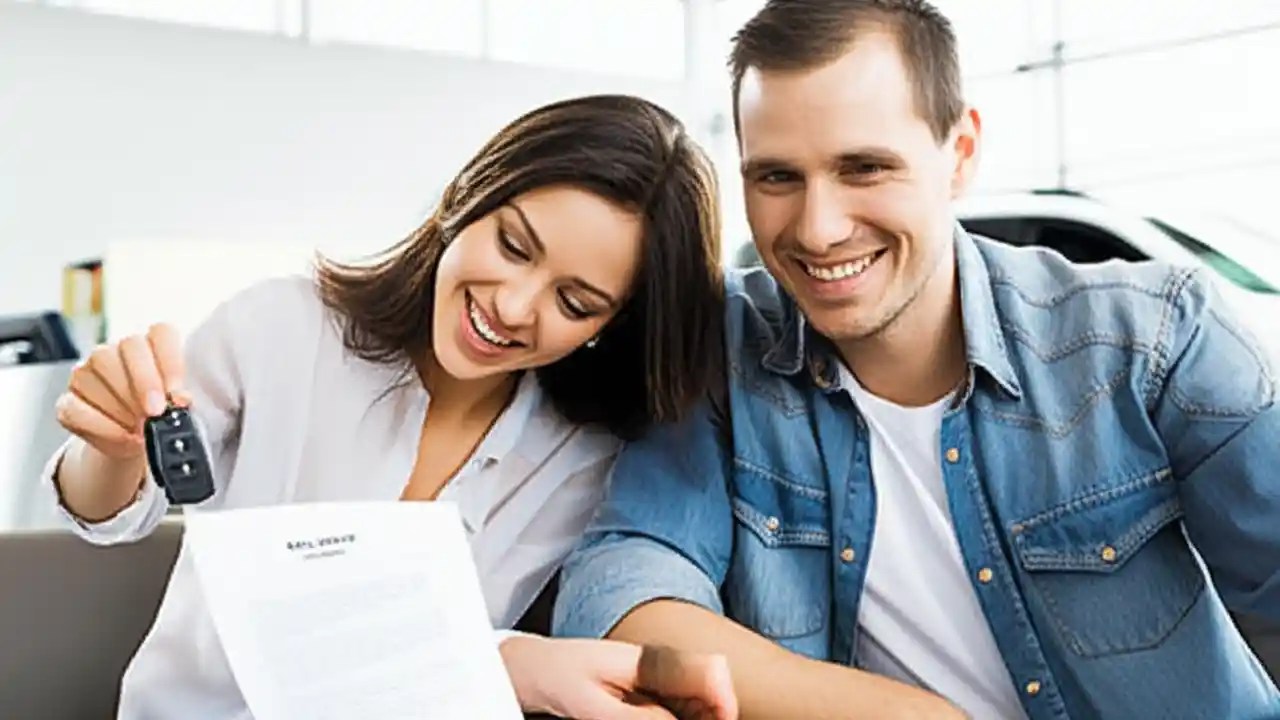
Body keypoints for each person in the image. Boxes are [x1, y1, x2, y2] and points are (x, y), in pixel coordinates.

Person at [552, 2, 1280, 719]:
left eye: (864, 168)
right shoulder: (723, 351)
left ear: (959, 152)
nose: (819, 228)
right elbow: (620, 599)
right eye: (776, 177)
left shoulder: (1148, 336)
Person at [46, 94, 737, 720]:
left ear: (609, 326)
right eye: (513, 245)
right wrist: (110, 447)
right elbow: (112, 516)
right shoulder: (283, 329)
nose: (513, 306)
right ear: (468, 197)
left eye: (575, 303)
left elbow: (431, 658)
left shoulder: (584, 457)